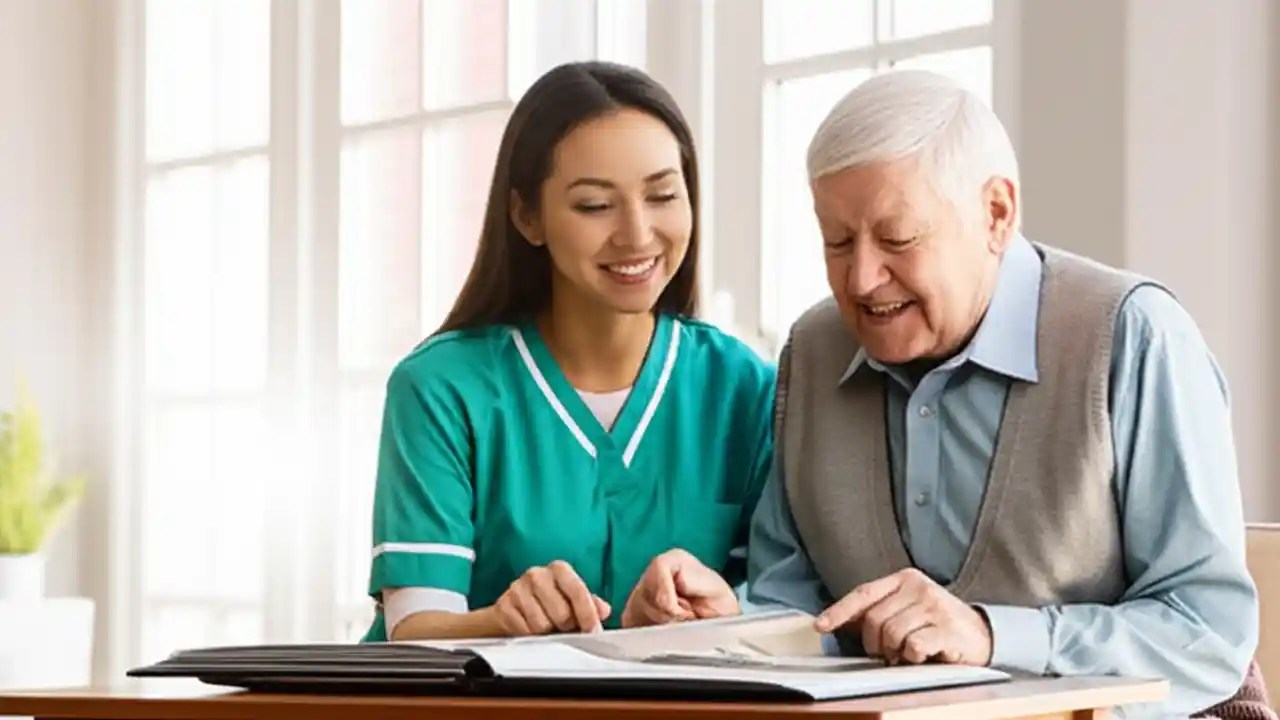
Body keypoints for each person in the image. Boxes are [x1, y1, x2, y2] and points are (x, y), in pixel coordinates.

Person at [624, 70, 1261, 718]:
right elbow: (798, 610)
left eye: (899, 239)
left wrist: (992, 636)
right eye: (837, 242)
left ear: (996, 214)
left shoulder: (1133, 337)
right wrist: (727, 624)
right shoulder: (813, 352)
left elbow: (1207, 633)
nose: (864, 279)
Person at [360, 61, 774, 642]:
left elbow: (781, 602)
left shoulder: (747, 389)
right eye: (594, 205)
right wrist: (499, 622)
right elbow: (415, 630)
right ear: (528, 216)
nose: (637, 234)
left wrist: (712, 609)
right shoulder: (440, 388)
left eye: (662, 195)